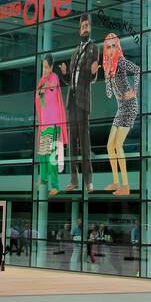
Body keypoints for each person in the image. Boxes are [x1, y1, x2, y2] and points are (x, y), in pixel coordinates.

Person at [60, 13, 100, 194]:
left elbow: (92, 76)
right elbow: (70, 80)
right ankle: (74, 180)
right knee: (72, 145)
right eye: (83, 26)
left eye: (87, 26)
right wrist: (65, 74)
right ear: (79, 30)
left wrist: (94, 73)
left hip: (83, 102)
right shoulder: (75, 52)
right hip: (72, 103)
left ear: (90, 28)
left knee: (85, 145)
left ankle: (89, 182)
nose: (85, 28)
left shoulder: (94, 48)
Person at [101, 33, 140, 196]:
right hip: (120, 107)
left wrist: (134, 90)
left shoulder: (122, 62)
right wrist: (106, 76)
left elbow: (137, 70)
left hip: (129, 106)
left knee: (118, 145)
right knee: (110, 145)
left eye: (114, 46)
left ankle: (125, 185)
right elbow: (109, 94)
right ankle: (116, 182)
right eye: (108, 47)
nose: (111, 49)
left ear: (118, 47)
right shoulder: (108, 67)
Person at [34, 54, 69, 196]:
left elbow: (52, 92)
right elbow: (37, 98)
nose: (44, 69)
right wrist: (40, 91)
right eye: (43, 67)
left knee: (51, 155)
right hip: (44, 123)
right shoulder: (41, 80)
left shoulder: (54, 78)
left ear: (51, 67)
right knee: (42, 154)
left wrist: (44, 89)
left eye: (46, 67)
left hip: (53, 122)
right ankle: (43, 178)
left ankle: (55, 185)